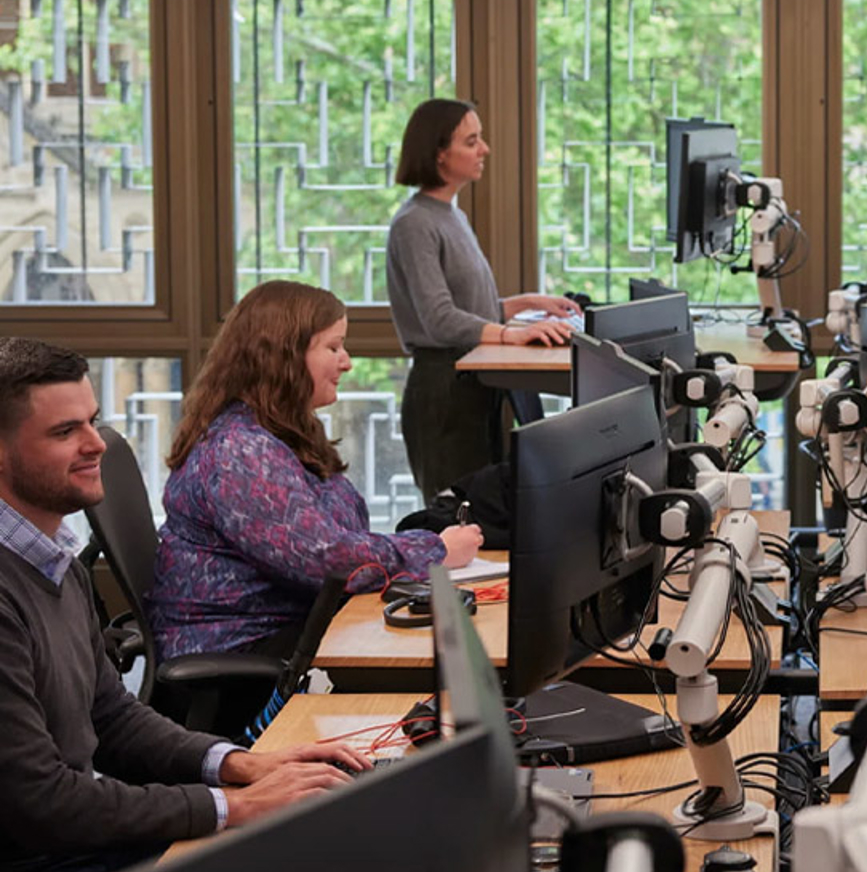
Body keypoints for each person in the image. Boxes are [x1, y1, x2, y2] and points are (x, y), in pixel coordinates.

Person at [0, 337, 374, 871]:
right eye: (65, 432)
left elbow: (111, 717)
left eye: (93, 420)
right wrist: (236, 806)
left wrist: (242, 766)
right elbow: (43, 806)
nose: (97, 443)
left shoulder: (51, 558)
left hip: (72, 841)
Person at [147, 281, 482, 662]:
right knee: (436, 655)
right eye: (333, 347)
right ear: (284, 355)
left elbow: (340, 534)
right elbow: (328, 560)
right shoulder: (240, 451)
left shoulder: (283, 429)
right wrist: (435, 550)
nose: (347, 361)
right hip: (237, 649)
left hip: (278, 629)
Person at [386, 97, 579, 498]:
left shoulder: (453, 215)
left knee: (486, 516)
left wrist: (527, 303)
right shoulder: (414, 224)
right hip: (444, 392)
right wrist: (511, 335)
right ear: (440, 154)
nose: (484, 150)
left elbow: (473, 312)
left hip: (476, 385)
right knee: (455, 521)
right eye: (472, 141)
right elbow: (439, 319)